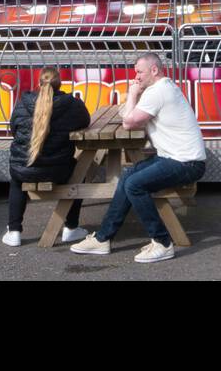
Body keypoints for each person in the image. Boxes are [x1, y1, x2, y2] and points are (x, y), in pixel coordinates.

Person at [70, 53, 206, 263]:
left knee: (134, 185)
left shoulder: (159, 91)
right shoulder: (161, 88)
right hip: (174, 158)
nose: (136, 77)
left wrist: (133, 93)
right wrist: (136, 95)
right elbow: (127, 113)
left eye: (140, 72)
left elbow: (128, 122)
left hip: (186, 163)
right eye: (135, 73)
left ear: (154, 70)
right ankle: (102, 238)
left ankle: (162, 242)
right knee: (128, 176)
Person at [3, 67, 92, 247]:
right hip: (59, 170)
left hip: (24, 168)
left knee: (16, 180)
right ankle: (71, 227)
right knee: (78, 169)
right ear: (60, 84)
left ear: (39, 84)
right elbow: (85, 121)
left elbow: (14, 130)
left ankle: (14, 232)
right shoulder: (72, 105)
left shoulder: (22, 103)